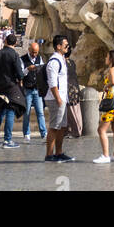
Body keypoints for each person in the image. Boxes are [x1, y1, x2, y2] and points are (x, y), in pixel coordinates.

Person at [0, 32, 25, 150]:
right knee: (10, 111)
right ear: (15, 43)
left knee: (0, 111)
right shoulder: (14, 55)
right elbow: (20, 73)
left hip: (0, 86)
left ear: (5, 41)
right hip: (11, 86)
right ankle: (7, 139)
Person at [44, 34, 75, 164]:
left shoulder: (61, 59)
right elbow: (52, 83)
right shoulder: (54, 62)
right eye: (65, 45)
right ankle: (49, 155)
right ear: (58, 46)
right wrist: (58, 99)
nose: (68, 47)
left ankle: (59, 152)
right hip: (56, 99)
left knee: (62, 127)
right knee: (54, 127)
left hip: (62, 98)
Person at [20, 39, 47, 143]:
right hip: (27, 89)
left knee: (40, 112)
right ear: (29, 50)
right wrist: (28, 69)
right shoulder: (22, 59)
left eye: (36, 52)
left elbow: (43, 69)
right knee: (26, 113)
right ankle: (26, 133)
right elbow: (20, 73)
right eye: (33, 52)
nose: (35, 54)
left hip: (37, 89)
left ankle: (43, 133)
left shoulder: (39, 58)